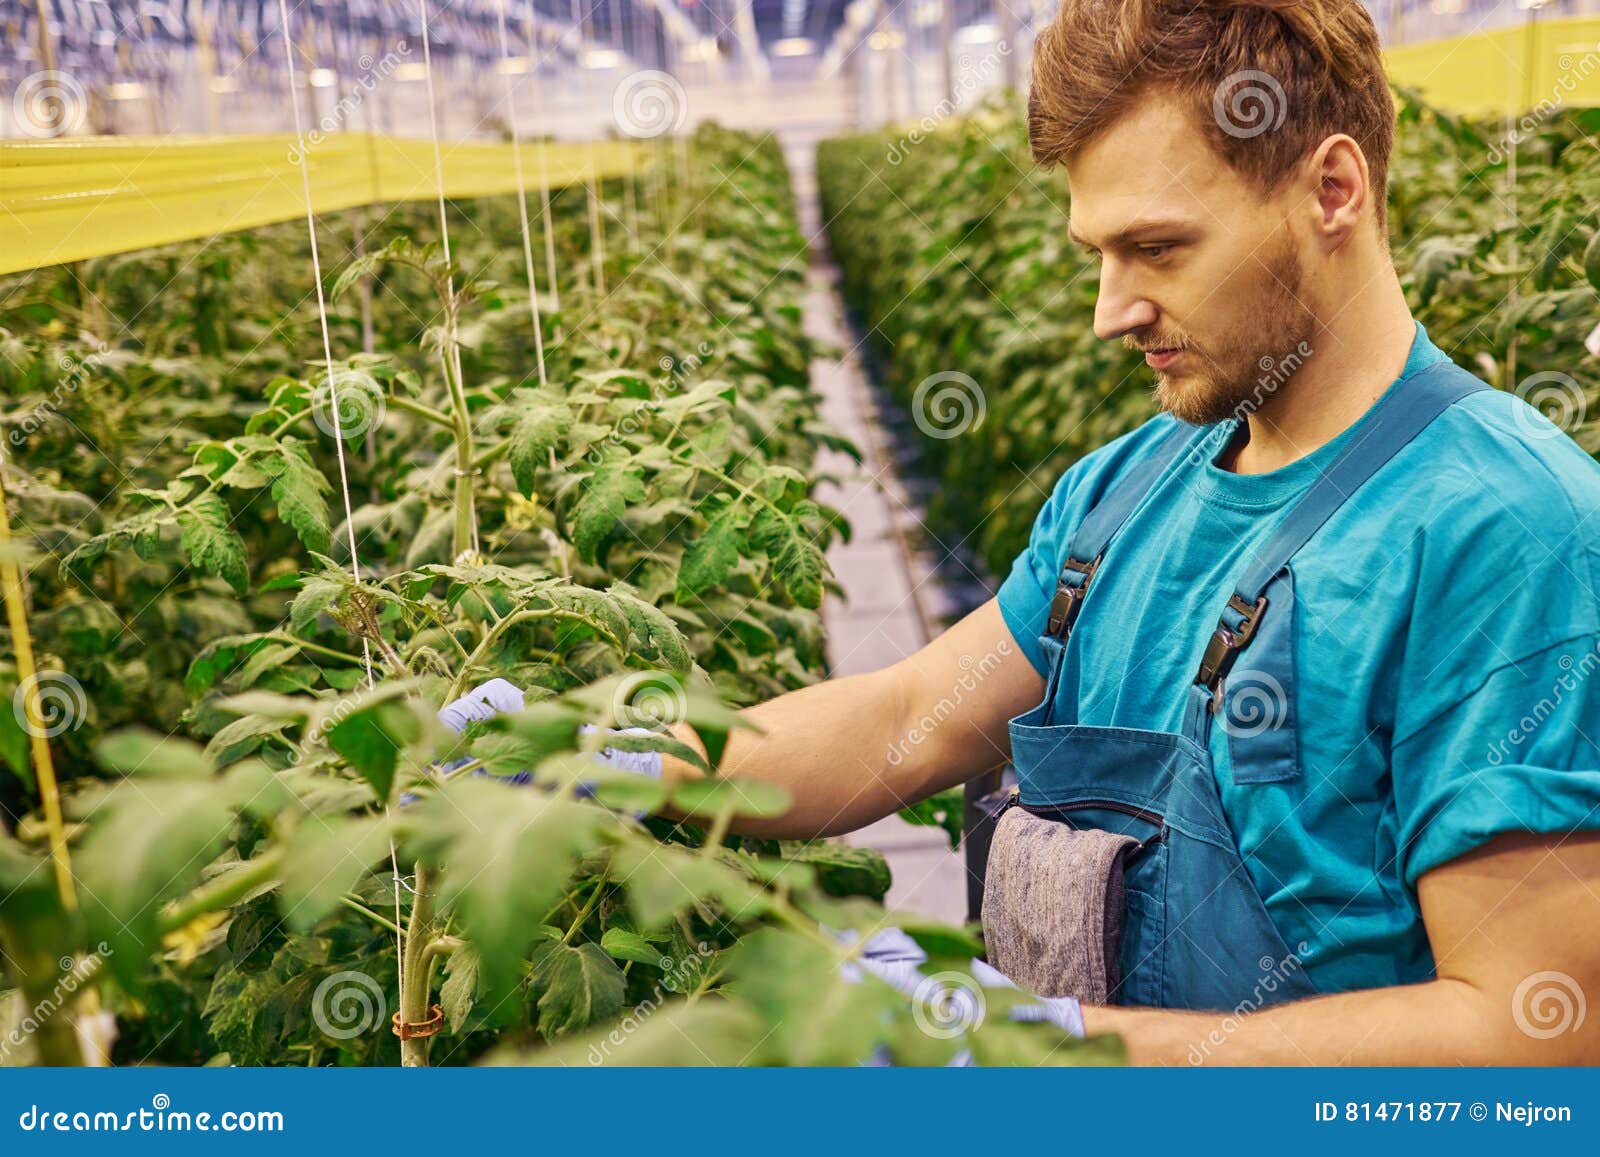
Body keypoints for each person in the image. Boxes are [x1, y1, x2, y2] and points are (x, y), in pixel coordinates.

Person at [465, 0, 1600, 1064]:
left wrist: (1053, 1049)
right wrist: (619, 753)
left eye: (1157, 249)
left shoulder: (1507, 531)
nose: (1111, 309)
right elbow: (908, 716)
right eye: (1096, 253)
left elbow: (1535, 1031)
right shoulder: (1132, 486)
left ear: (1333, 189)